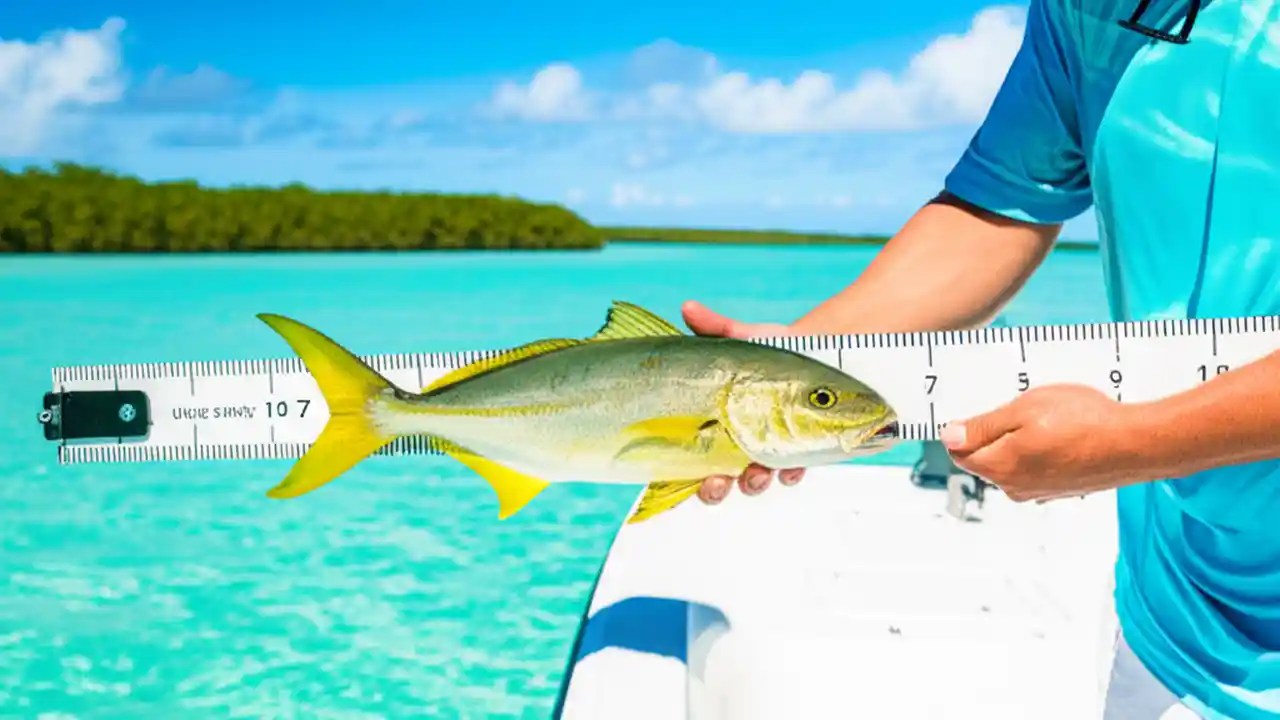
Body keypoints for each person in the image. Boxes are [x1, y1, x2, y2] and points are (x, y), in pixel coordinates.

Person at [682, 0, 1280, 717]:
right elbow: (997, 209)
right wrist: (800, 366)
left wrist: (1139, 441)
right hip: (1174, 623)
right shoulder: (1082, 10)